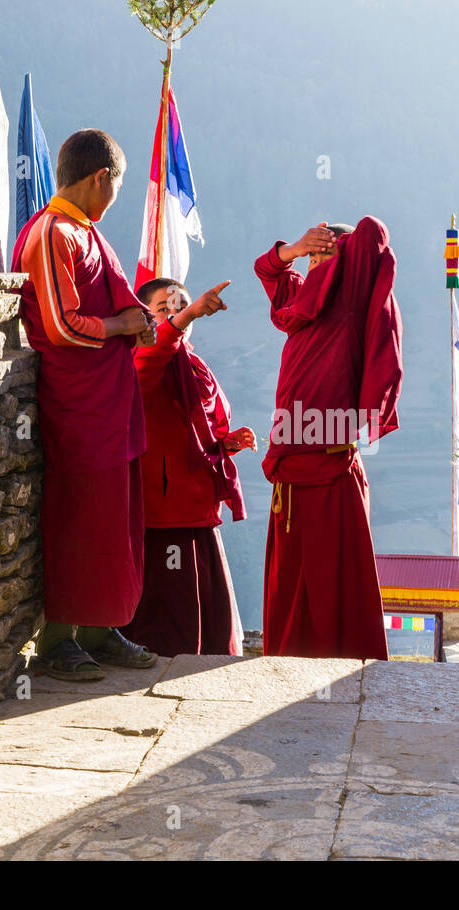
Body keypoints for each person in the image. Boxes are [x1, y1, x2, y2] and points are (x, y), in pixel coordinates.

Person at [10, 128, 160, 680]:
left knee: (111, 523)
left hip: (109, 404)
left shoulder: (86, 232)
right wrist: (121, 324)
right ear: (102, 177)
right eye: (117, 183)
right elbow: (61, 325)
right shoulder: (54, 233)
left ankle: (99, 629)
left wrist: (136, 326)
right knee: (78, 521)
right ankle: (57, 641)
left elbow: (118, 305)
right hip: (78, 408)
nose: (115, 195)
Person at [253, 218, 403, 661]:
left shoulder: (351, 298)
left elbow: (375, 231)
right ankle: (287, 655)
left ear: (348, 261)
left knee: (335, 570)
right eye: (313, 257)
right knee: (292, 571)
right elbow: (267, 270)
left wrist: (341, 246)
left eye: (328, 256)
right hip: (291, 457)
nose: (318, 263)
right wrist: (297, 247)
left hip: (331, 454)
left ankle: (344, 657)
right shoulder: (299, 298)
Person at [122, 276, 256, 656]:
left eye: (180, 304)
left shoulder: (192, 361)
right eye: (163, 309)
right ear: (144, 317)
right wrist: (188, 314)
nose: (175, 313)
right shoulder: (143, 356)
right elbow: (150, 361)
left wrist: (227, 443)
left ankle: (201, 661)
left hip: (196, 500)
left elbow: (195, 426)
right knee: (172, 603)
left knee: (203, 600)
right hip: (164, 506)